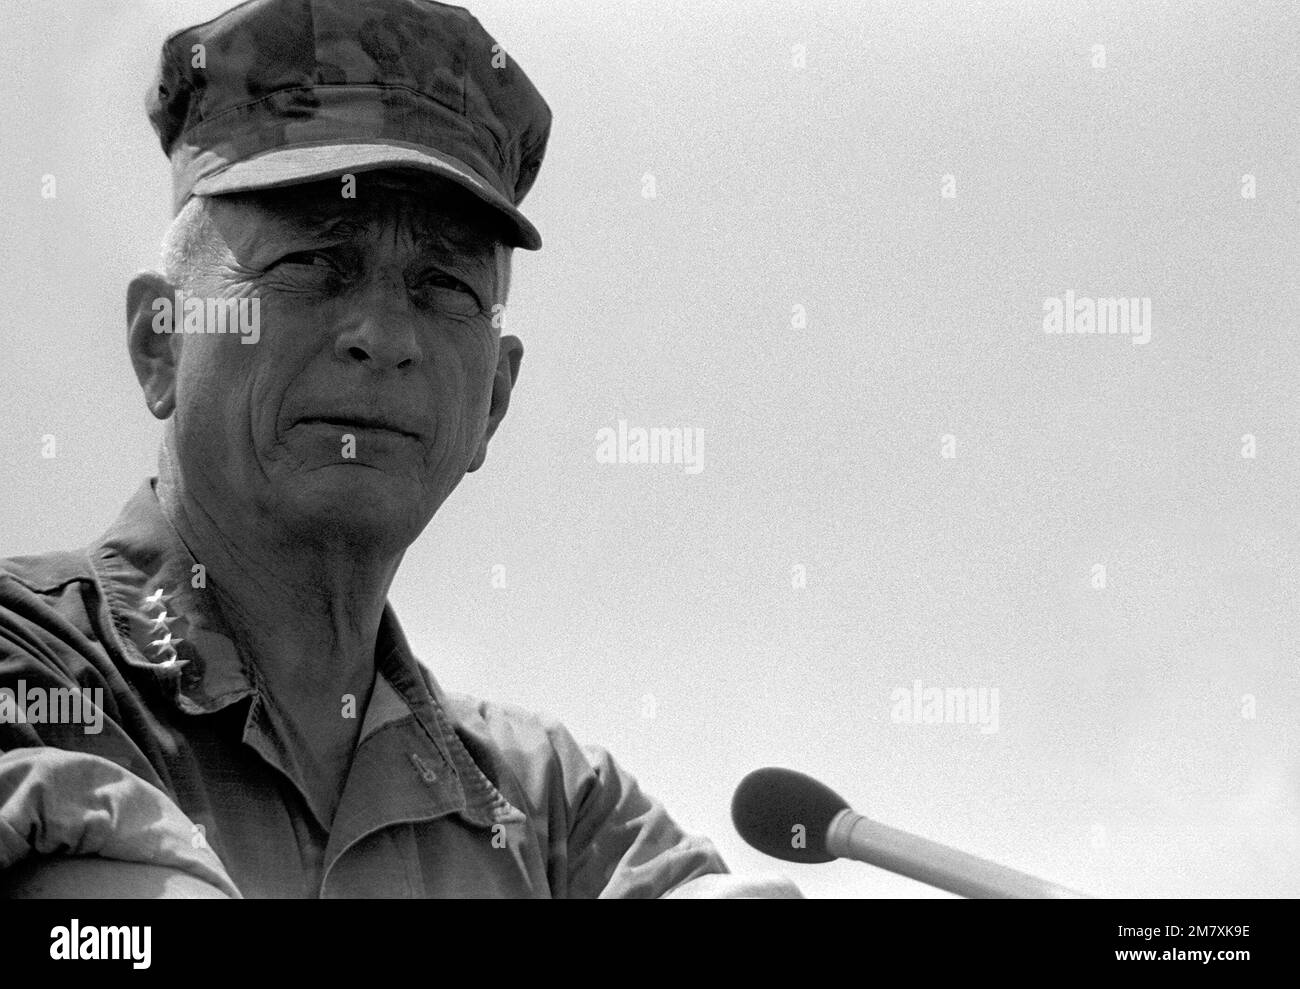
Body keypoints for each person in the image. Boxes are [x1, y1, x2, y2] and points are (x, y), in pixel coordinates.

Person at [0, 0, 799, 899]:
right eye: (312, 264)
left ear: (493, 401)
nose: (383, 334)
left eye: (442, 285)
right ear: (161, 341)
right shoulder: (32, 668)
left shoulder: (552, 806)